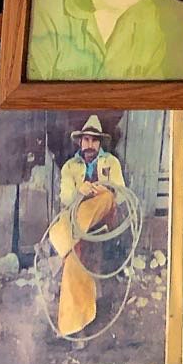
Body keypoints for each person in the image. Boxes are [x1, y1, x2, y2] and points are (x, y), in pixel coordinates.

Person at [47, 114, 128, 338]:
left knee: (105, 198)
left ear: (100, 143)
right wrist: (79, 191)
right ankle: (75, 324)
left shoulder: (110, 163)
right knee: (72, 258)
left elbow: (120, 195)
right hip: (78, 217)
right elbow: (65, 198)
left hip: (103, 216)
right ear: (80, 142)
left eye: (94, 140)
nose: (90, 144)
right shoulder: (70, 167)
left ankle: (62, 240)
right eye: (86, 140)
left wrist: (102, 189)